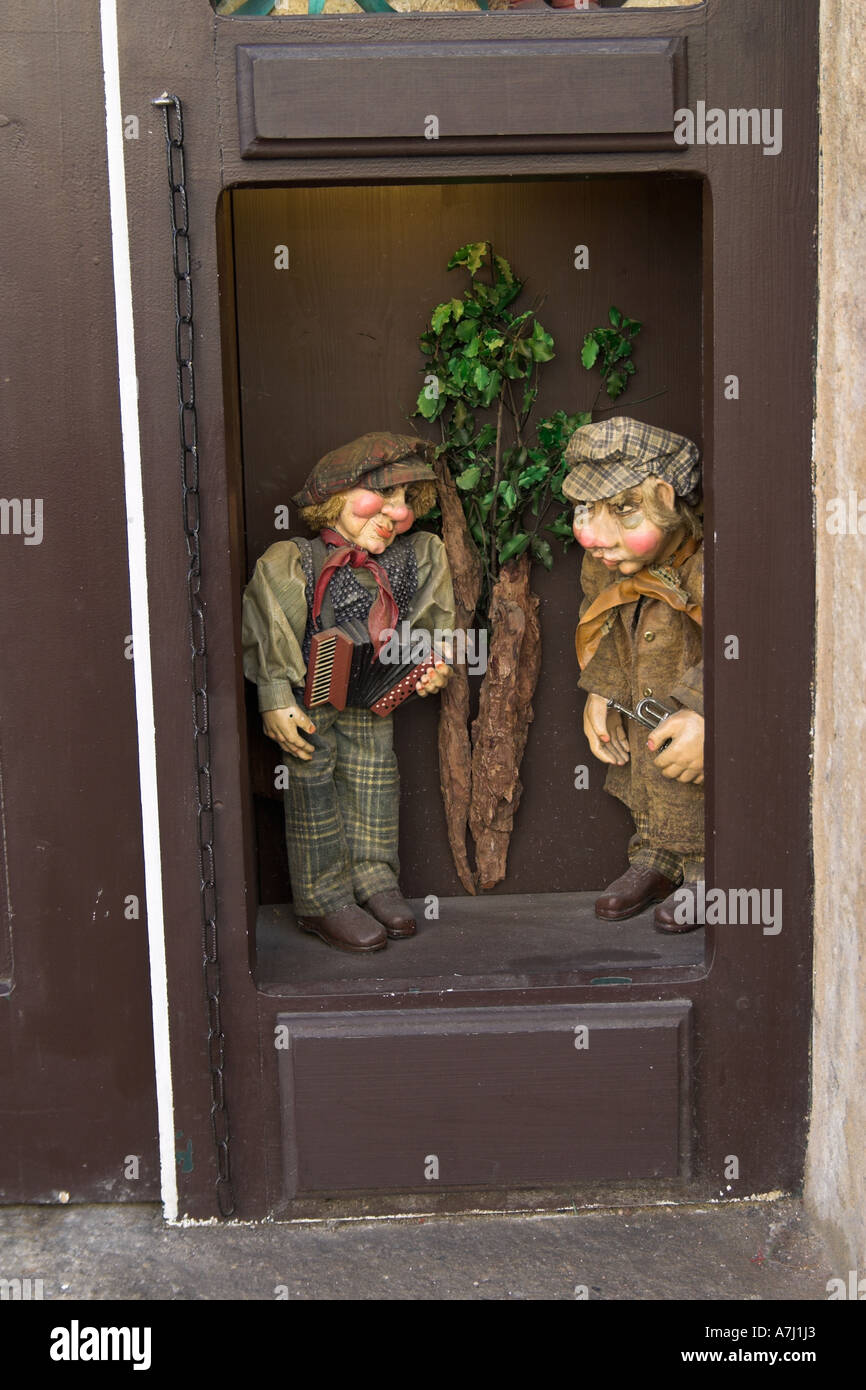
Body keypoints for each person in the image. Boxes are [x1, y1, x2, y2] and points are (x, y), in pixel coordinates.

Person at [242, 432, 455, 954]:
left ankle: (374, 879)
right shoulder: (294, 560)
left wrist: (435, 665)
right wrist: (274, 694)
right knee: (312, 782)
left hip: (373, 694)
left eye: (407, 500)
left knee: (375, 778)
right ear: (334, 499)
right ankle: (322, 897)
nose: (396, 512)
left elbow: (433, 627)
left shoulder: (418, 555)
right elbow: (269, 623)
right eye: (383, 495)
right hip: (310, 699)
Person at [564, 417, 704, 932]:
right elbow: (600, 618)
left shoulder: (707, 565)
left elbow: (747, 644)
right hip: (641, 705)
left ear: (665, 498)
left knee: (692, 780)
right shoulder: (608, 563)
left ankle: (709, 870)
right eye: (585, 510)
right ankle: (656, 858)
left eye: (623, 510)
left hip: (689, 717)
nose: (593, 534)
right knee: (645, 778)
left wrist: (707, 712)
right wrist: (601, 689)